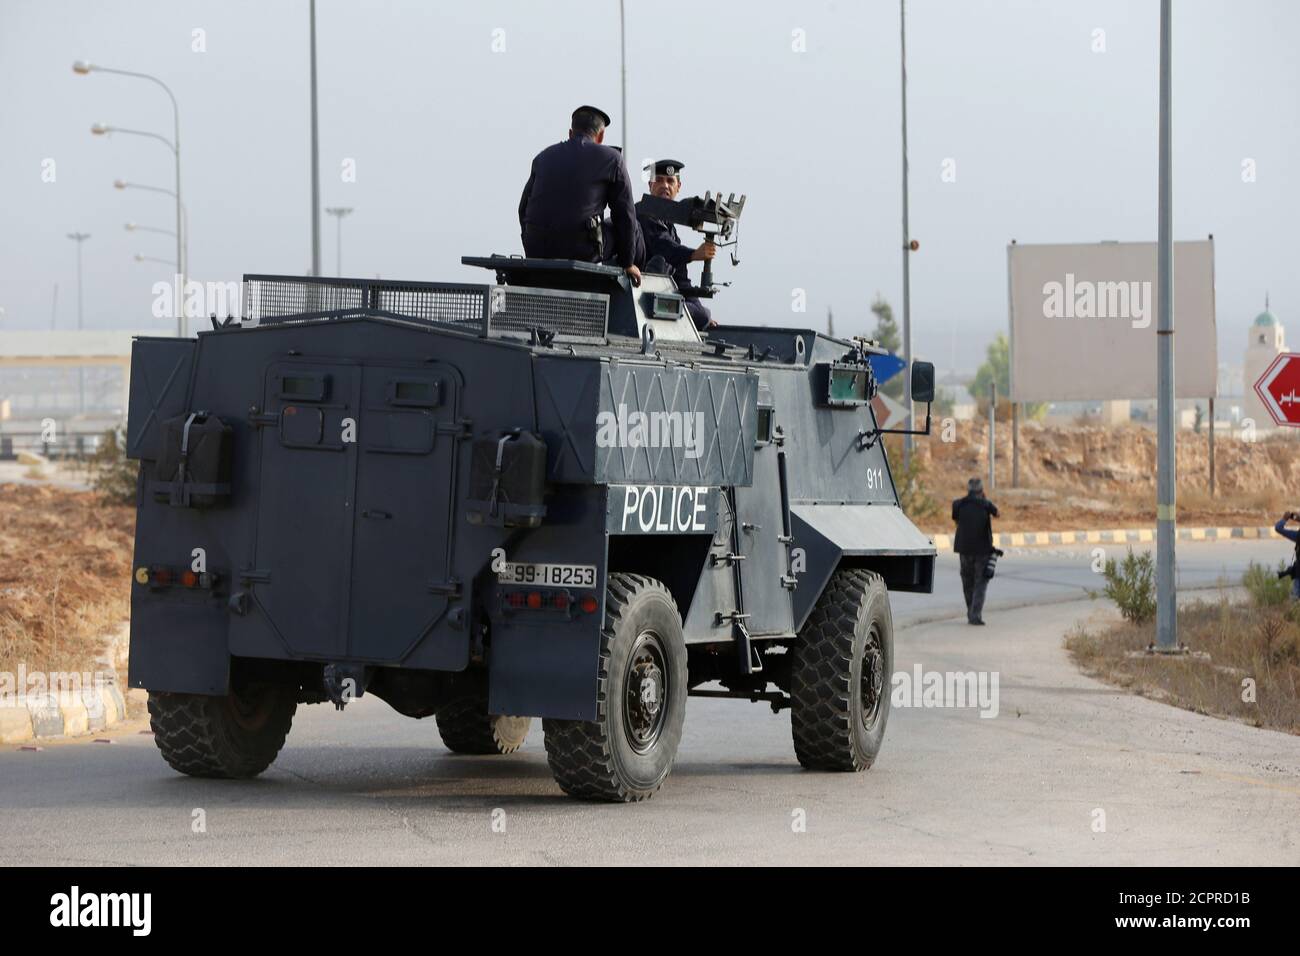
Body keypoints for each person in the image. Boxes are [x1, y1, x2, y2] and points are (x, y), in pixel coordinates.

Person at [519, 105, 641, 286]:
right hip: (582, 251)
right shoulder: (612, 158)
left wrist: (531, 244)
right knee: (634, 227)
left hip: (537, 249)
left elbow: (523, 208)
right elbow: (625, 214)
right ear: (600, 136)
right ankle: (637, 275)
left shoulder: (543, 157)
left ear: (570, 133)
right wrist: (627, 262)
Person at [637, 159, 717, 330]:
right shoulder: (643, 213)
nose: (665, 185)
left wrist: (701, 312)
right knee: (700, 314)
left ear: (678, 186)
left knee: (701, 313)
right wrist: (693, 254)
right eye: (659, 180)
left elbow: (682, 281)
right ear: (650, 185)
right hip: (642, 297)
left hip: (662, 298)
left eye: (670, 181)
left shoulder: (669, 226)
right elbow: (663, 246)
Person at [952, 477, 999, 625]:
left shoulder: (958, 504)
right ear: (982, 491)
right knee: (980, 583)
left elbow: (955, 518)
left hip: (964, 549)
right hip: (982, 550)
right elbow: (998, 514)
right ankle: (975, 615)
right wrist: (984, 501)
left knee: (967, 582)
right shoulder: (986, 505)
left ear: (968, 490)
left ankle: (970, 612)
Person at [1274, 511, 1300, 599]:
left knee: (1294, 604)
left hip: (1298, 576)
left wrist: (1285, 519)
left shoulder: (1298, 536)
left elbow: (1278, 528)